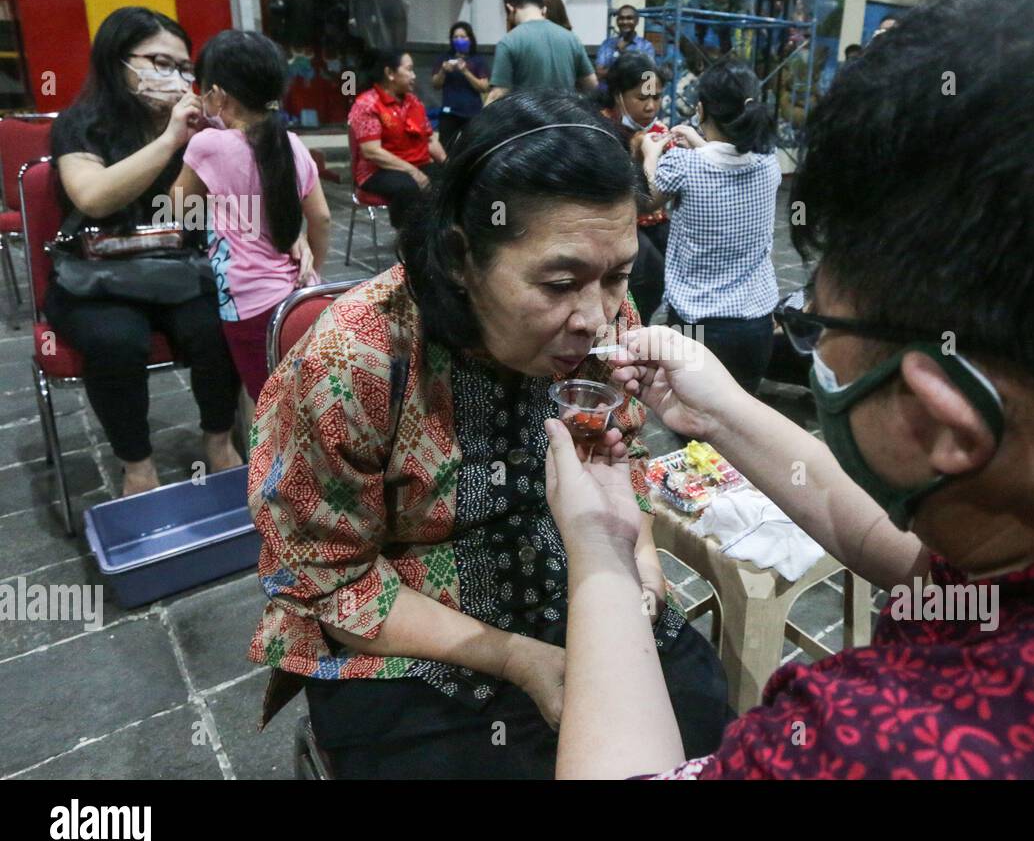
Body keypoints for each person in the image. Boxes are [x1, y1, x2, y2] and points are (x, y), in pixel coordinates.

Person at [546, 0, 1034, 779]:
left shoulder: (878, 745)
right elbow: (926, 564)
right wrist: (717, 407)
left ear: (939, 414)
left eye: (818, 323)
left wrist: (601, 543)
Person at [245, 90, 730, 779]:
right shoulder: (356, 361)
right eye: (559, 283)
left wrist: (640, 574)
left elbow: (627, 461)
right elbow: (328, 578)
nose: (596, 318)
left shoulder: (608, 326)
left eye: (617, 276)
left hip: (578, 573)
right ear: (460, 257)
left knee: (707, 720)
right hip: (408, 634)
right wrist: (513, 655)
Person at [48, 6, 241, 496]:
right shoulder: (81, 124)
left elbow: (221, 203)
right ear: (119, 61)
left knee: (222, 321)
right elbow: (92, 197)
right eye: (159, 61)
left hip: (176, 269)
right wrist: (173, 138)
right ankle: (137, 464)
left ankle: (218, 441)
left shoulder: (196, 128)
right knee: (116, 342)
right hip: (98, 278)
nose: (174, 77)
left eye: (182, 67)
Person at [172, 30, 330, 403]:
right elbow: (321, 218)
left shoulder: (208, 145)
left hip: (248, 305)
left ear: (218, 95)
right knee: (303, 396)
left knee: (268, 407)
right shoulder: (291, 143)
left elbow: (179, 208)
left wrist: (180, 137)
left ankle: (276, 463)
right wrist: (312, 272)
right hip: (300, 298)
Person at [641, 57, 780, 395]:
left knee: (694, 432)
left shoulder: (682, 164)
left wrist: (649, 154)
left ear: (700, 110)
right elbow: (727, 164)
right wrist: (702, 143)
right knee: (739, 425)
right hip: (756, 328)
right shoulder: (769, 164)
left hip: (700, 328)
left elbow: (646, 201)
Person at [598, 52, 672, 322]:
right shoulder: (600, 128)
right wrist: (635, 152)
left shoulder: (662, 131)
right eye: (642, 98)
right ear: (618, 95)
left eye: (657, 97)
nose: (651, 106)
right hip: (618, 224)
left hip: (655, 221)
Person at [347, 48, 447, 229]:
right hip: (377, 171)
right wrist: (413, 172)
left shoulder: (414, 102)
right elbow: (372, 151)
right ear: (390, 73)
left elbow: (430, 140)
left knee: (450, 181)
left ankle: (441, 238)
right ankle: (408, 243)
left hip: (417, 163)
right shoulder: (367, 104)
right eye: (409, 69)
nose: (414, 75)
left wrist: (451, 165)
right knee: (408, 187)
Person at [486, 0, 597, 104]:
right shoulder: (571, 39)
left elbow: (498, 94)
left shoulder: (509, 42)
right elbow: (592, 84)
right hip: (567, 120)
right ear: (542, 8)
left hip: (528, 121)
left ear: (510, 7)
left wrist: (479, 121)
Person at [431, 21, 489, 154]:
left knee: (472, 149)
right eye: (455, 37)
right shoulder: (444, 58)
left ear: (470, 38)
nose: (459, 40)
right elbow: (435, 85)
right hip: (449, 113)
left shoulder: (477, 60)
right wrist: (443, 71)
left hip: (472, 113)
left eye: (463, 37)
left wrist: (465, 72)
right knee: (445, 149)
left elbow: (484, 87)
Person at [595, 4, 656, 83]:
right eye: (621, 18)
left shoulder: (645, 46)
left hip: (633, 93)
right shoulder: (607, 44)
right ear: (617, 21)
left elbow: (647, 74)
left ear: (636, 21)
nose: (624, 22)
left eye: (629, 18)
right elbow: (599, 73)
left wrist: (622, 53)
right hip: (608, 92)